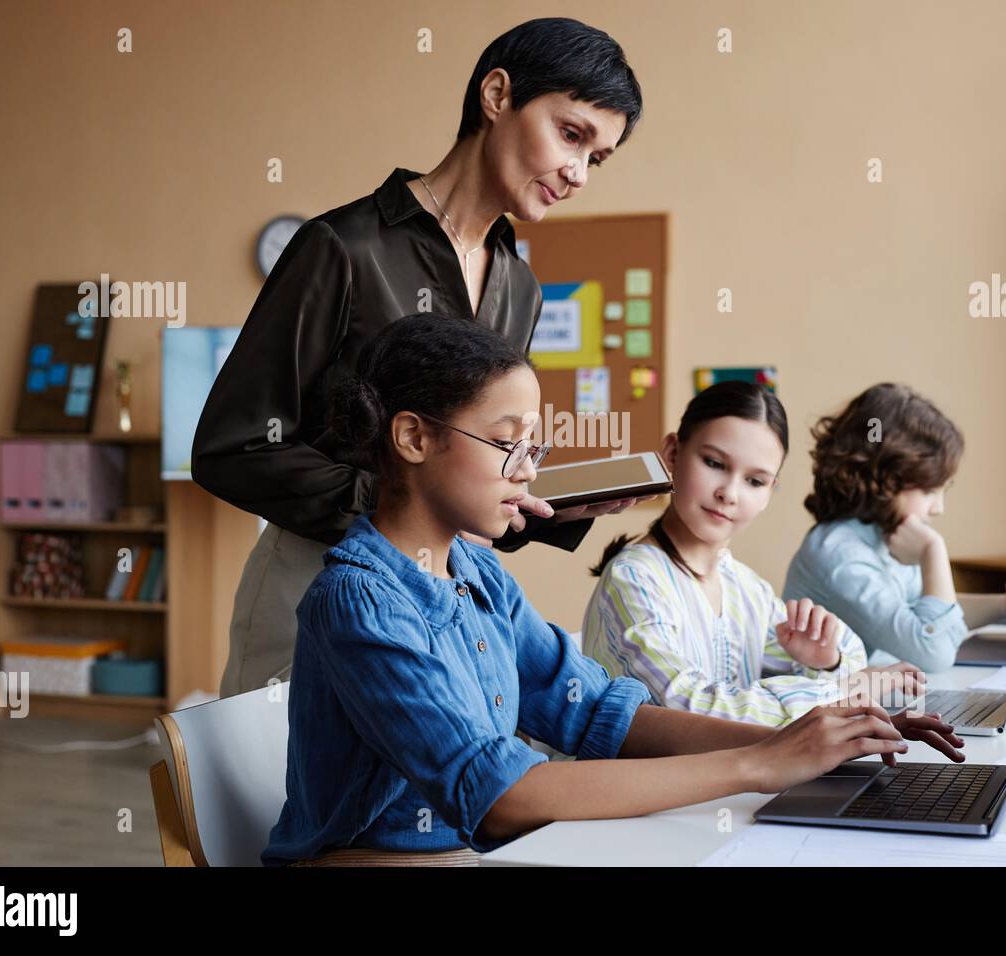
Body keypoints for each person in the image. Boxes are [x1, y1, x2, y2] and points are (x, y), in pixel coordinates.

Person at [261, 315, 964, 864]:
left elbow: (599, 712)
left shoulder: (479, 576)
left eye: (535, 448)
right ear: (413, 437)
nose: (527, 472)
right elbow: (499, 794)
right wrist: (760, 762)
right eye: (509, 443)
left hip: (480, 855)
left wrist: (809, 742)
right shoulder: (362, 601)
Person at [191, 18, 652, 696]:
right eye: (571, 134)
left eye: (598, 158)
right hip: (313, 582)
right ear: (497, 95)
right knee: (297, 800)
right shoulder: (341, 247)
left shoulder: (518, 286)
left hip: (438, 597)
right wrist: (400, 513)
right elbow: (233, 447)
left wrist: (551, 504)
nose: (579, 173)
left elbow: (468, 475)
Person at [582, 381, 927, 727]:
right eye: (714, 463)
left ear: (769, 492)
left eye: (755, 481)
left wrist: (824, 661)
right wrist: (844, 691)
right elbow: (690, 709)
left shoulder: (745, 587)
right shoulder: (634, 579)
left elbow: (850, 654)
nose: (729, 493)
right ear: (672, 454)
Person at [783, 383, 1006, 673]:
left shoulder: (882, 535)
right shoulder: (839, 556)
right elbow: (935, 652)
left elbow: (925, 617)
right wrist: (933, 551)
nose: (938, 508)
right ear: (884, 479)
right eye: (930, 490)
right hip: (815, 707)